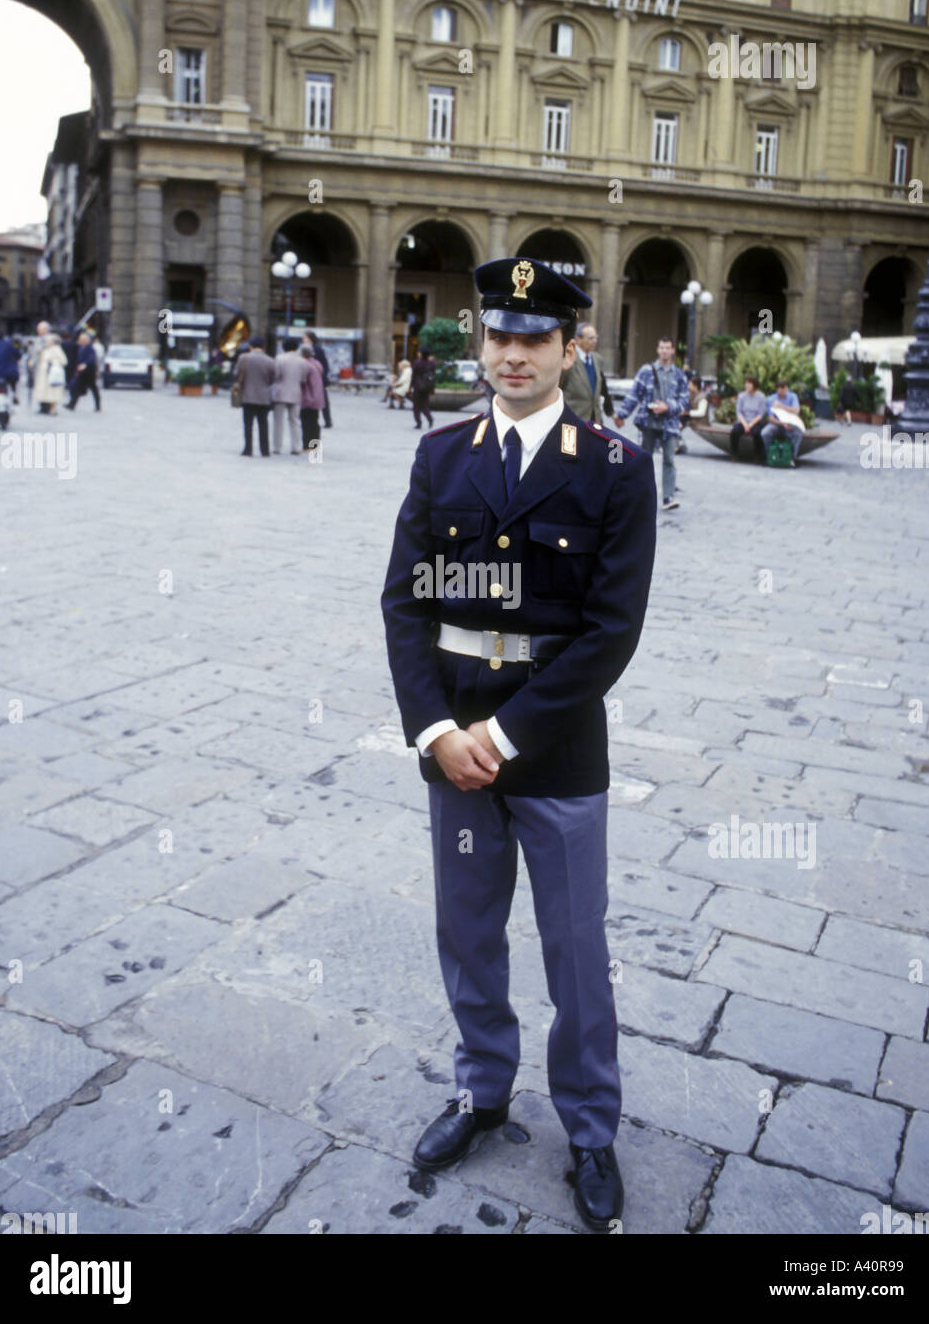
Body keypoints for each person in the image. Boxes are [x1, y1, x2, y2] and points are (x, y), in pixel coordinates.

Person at [381, 255, 658, 1232]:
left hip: (554, 753)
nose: (509, 353)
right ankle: (480, 1091)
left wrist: (499, 731)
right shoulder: (440, 455)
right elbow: (404, 603)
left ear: (570, 346)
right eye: (495, 334)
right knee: (466, 932)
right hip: (453, 751)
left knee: (575, 948)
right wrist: (435, 729)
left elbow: (608, 631)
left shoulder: (618, 468)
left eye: (532, 336)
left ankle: (588, 1125)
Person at [614, 335, 688, 511]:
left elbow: (685, 402)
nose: (664, 350)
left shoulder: (679, 375)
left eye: (667, 347)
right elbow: (634, 394)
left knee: (669, 459)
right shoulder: (646, 371)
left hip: (669, 425)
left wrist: (668, 407)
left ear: (672, 351)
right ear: (657, 349)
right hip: (648, 422)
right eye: (661, 347)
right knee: (644, 460)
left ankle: (668, 497)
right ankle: (642, 495)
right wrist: (622, 414)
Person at [559, 321, 611, 426]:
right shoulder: (569, 359)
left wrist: (610, 411)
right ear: (578, 339)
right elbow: (558, 387)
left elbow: (602, 389)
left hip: (595, 421)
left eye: (596, 338)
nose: (595, 341)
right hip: (574, 421)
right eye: (591, 338)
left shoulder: (597, 359)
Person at [234, 335, 275, 456]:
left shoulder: (243, 358)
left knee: (248, 425)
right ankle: (265, 450)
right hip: (264, 396)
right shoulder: (270, 360)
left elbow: (237, 374)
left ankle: (248, 449)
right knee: (263, 424)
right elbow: (273, 379)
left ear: (250, 346)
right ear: (263, 346)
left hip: (247, 395)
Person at [271, 338, 308, 455]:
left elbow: (275, 375)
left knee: (278, 421)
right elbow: (303, 379)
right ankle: (296, 447)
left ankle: (277, 447)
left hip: (280, 392)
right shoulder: (302, 361)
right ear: (297, 347)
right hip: (296, 392)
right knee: (295, 421)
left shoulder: (279, 358)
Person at [762, 379, 804, 466]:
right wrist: (782, 424)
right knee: (765, 433)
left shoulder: (792, 396)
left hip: (790, 422)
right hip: (776, 423)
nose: (783, 392)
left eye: (785, 389)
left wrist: (782, 406)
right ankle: (769, 456)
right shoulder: (771, 399)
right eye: (781, 390)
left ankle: (792, 458)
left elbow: (796, 411)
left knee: (798, 433)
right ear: (777, 389)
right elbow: (771, 418)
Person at [729, 373, 768, 462]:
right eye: (746, 383)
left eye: (749, 383)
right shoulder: (742, 396)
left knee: (757, 433)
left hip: (755, 421)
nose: (747, 385)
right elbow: (739, 412)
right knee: (734, 432)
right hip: (743, 421)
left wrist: (750, 425)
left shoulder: (761, 397)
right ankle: (734, 454)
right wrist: (745, 424)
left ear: (754, 385)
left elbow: (760, 414)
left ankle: (758, 455)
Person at [32, 331, 68, 416]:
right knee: (44, 391)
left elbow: (63, 361)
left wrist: (53, 362)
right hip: (43, 374)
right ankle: (44, 407)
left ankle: (52, 408)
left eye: (49, 340)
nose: (47, 342)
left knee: (53, 391)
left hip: (51, 374)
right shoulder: (45, 348)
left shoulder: (57, 349)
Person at [299, 340, 325, 453]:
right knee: (315, 421)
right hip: (318, 396)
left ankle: (307, 445)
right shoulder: (317, 363)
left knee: (306, 422)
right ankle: (316, 445)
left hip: (307, 397)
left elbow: (302, 381)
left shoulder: (305, 365)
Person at [304, 329, 332, 429]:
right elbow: (325, 365)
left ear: (309, 339)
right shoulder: (318, 348)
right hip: (320, 378)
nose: (303, 339)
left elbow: (322, 364)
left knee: (314, 398)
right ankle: (327, 420)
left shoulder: (314, 349)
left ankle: (319, 420)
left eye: (305, 337)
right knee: (323, 399)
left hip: (316, 378)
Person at [65, 331, 99, 411]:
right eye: (80, 339)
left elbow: (91, 358)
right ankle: (72, 404)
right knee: (76, 388)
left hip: (89, 372)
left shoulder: (90, 348)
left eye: (82, 339)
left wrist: (85, 364)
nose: (80, 340)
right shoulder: (80, 347)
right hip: (81, 372)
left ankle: (98, 406)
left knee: (94, 389)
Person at [410, 346, 436, 430]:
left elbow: (413, 376)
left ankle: (418, 422)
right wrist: (432, 388)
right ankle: (430, 418)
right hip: (427, 386)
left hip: (418, 386)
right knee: (425, 405)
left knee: (416, 405)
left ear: (421, 353)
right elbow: (433, 376)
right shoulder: (432, 363)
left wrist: (410, 386)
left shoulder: (417, 363)